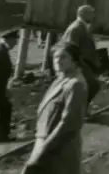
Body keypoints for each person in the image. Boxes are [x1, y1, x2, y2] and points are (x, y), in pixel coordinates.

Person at [22, 42, 87, 174]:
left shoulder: (75, 84)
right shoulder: (60, 80)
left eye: (63, 57)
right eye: (55, 57)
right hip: (48, 143)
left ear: (74, 61)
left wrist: (43, 149)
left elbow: (68, 123)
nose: (57, 60)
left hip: (60, 148)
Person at [62, 5, 101, 110]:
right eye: (91, 13)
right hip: (76, 64)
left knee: (90, 86)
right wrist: (78, 64)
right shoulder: (76, 28)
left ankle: (81, 109)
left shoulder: (83, 26)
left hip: (82, 63)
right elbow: (70, 48)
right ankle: (79, 109)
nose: (93, 16)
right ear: (84, 14)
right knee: (92, 85)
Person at [0, 29, 18, 142]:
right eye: (14, 41)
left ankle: (2, 135)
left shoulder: (2, 51)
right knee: (5, 108)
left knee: (5, 108)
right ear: (8, 40)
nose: (16, 43)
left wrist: (5, 89)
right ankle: (2, 136)